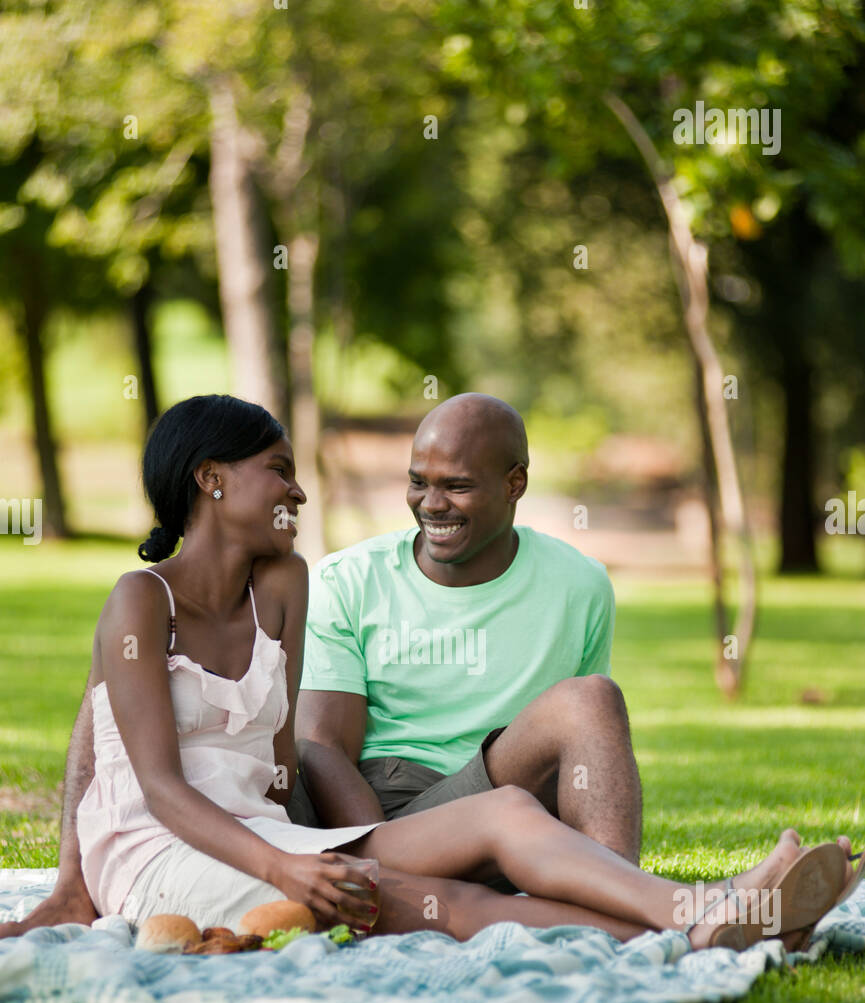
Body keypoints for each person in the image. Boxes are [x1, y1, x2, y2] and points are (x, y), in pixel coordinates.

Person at [0, 395, 852, 949]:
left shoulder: (285, 585)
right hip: (167, 847)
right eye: (279, 473)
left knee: (509, 812)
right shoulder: (139, 602)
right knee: (438, 906)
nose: (297, 492)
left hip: (275, 832)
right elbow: (147, 776)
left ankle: (700, 907)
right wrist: (87, 884)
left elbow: (285, 760)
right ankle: (694, 927)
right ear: (211, 481)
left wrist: (316, 845)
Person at [296, 393, 643, 879]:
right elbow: (321, 744)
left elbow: (584, 746)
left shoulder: (580, 584)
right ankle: (630, 904)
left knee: (592, 699)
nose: (432, 505)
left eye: (457, 486)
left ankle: (619, 890)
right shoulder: (346, 580)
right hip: (390, 813)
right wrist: (382, 865)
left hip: (509, 796)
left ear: (514, 484)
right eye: (418, 482)